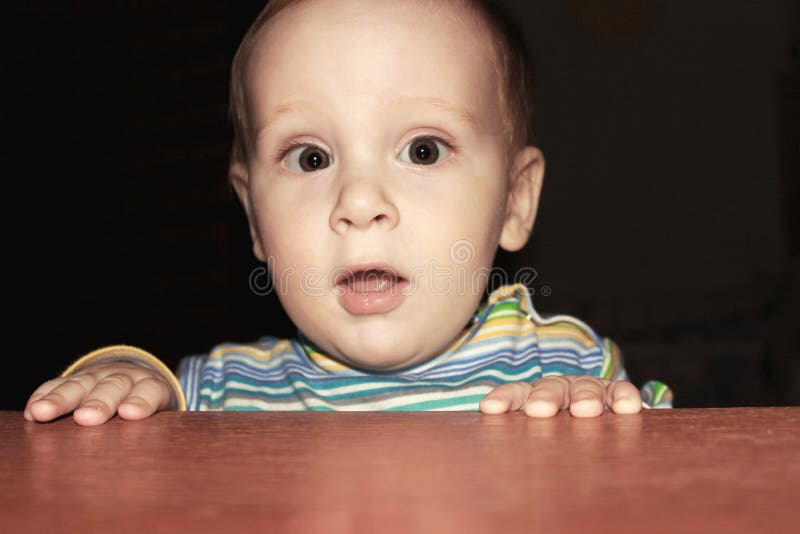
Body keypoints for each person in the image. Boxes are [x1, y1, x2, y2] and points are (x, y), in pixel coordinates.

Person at [24, 0, 672, 426]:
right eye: (310, 159)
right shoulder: (224, 394)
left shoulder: (560, 366)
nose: (359, 203)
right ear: (253, 217)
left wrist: (606, 427)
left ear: (514, 199)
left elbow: (686, 467)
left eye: (422, 150)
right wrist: (120, 376)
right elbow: (136, 401)